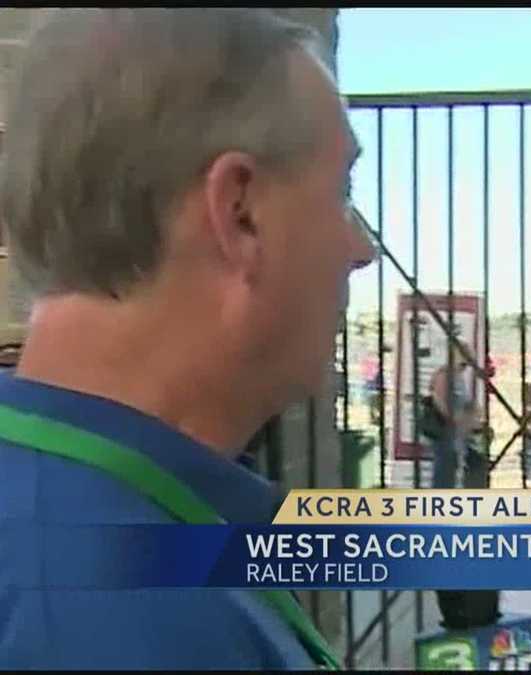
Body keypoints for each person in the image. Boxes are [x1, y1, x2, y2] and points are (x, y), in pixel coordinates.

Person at [0, 9, 376, 669]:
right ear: (240, 212)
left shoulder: (74, 509)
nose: (361, 247)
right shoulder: (123, 623)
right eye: (341, 190)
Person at [426, 342, 482, 489]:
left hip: (458, 435)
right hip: (445, 434)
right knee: (444, 475)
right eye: (466, 358)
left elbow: (463, 403)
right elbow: (441, 403)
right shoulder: (444, 375)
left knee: (454, 473)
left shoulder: (459, 378)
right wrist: (458, 419)